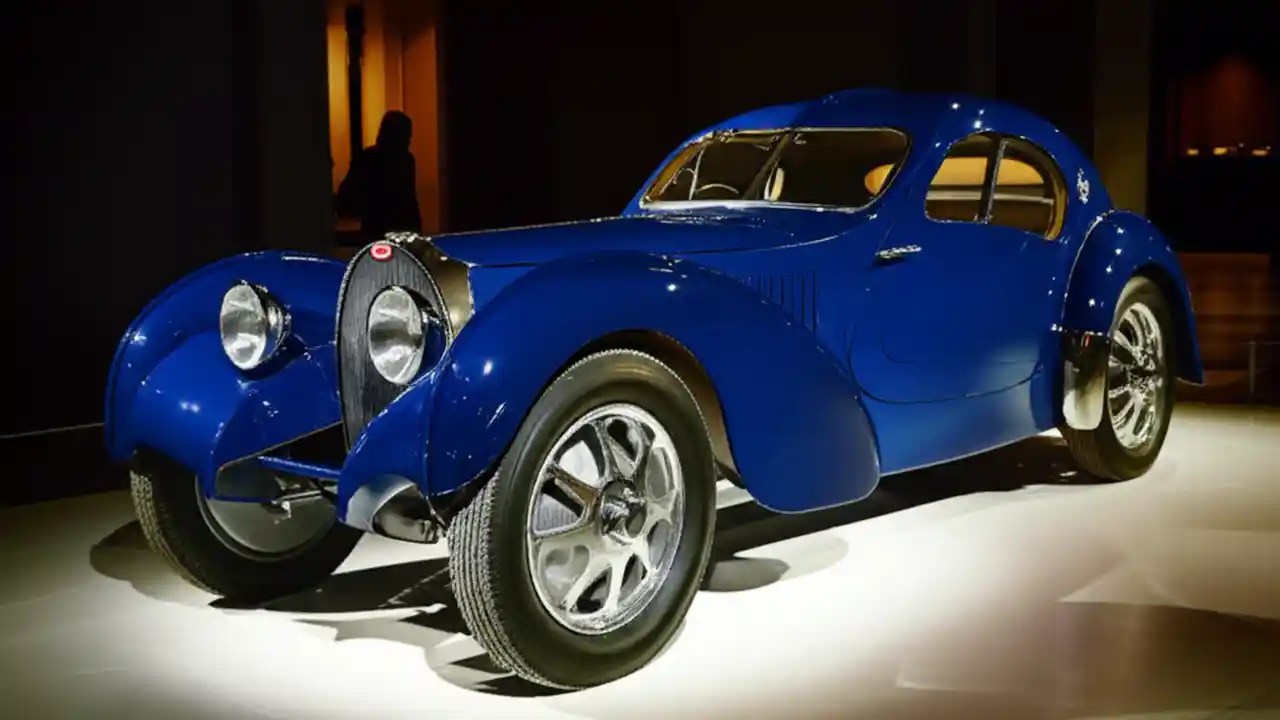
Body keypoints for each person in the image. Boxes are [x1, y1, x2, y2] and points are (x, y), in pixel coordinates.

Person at [336, 110, 422, 239]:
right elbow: (408, 200)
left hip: (378, 229)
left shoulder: (369, 158)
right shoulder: (405, 160)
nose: (408, 142)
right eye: (406, 137)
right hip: (394, 228)